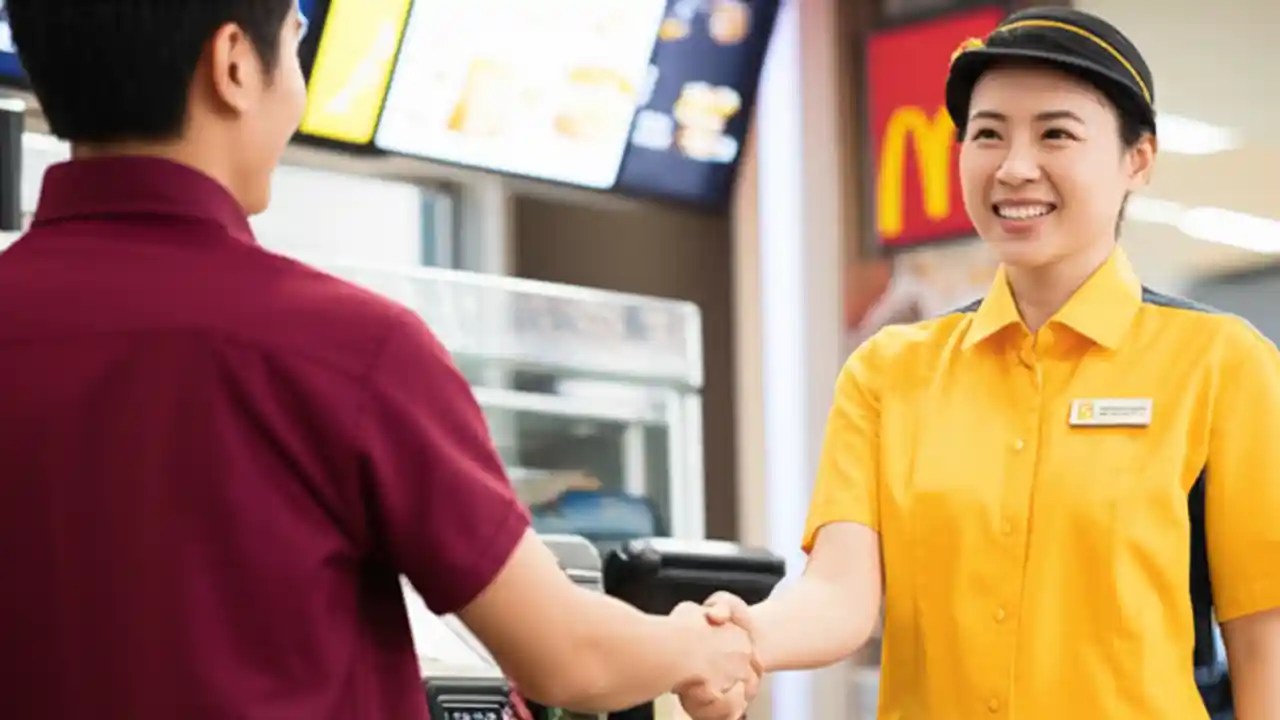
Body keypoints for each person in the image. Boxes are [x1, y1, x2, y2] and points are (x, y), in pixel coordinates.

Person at [0, 1, 759, 718]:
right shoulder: (350, 348)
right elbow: (568, 657)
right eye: (295, 44)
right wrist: (700, 647)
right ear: (234, 64)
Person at [680, 7, 1280, 720]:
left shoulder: (1219, 362)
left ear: (1137, 160)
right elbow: (838, 594)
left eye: (1056, 133)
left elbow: (1261, 633)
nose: (1014, 167)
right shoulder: (890, 372)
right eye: (987, 134)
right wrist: (749, 638)